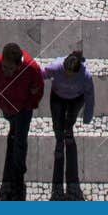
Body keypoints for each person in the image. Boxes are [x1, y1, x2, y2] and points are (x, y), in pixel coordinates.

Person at [0, 43, 45, 201]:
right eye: (4, 66)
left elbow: (39, 89)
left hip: (23, 109)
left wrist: (30, 103)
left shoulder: (31, 69)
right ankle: (13, 133)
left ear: (19, 64)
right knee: (13, 129)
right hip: (6, 108)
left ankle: (18, 173)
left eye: (9, 68)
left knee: (20, 141)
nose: (5, 71)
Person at [43, 50, 95, 194]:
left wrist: (87, 116)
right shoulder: (57, 66)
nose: (66, 76)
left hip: (76, 100)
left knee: (70, 120)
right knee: (57, 123)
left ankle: (68, 132)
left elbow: (90, 97)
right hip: (57, 98)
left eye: (70, 75)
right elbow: (43, 73)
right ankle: (60, 141)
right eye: (65, 72)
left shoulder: (85, 77)